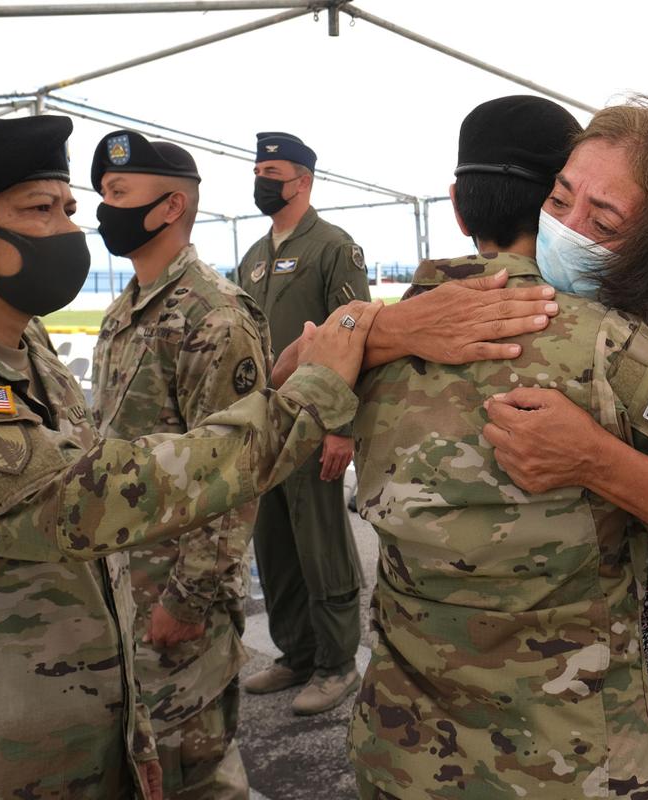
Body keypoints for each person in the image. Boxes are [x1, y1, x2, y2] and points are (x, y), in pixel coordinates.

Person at [0, 115, 376, 800]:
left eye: (68, 208)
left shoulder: (29, 353)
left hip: (80, 740)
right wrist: (302, 401)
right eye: (39, 209)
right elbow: (79, 501)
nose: (70, 227)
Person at [350, 95, 648, 799]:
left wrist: (601, 463)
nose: (564, 230)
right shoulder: (498, 302)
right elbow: (294, 374)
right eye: (559, 199)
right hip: (552, 752)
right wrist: (387, 330)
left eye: (602, 222)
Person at [90, 131, 266, 798]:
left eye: (118, 193)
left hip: (174, 596)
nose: (102, 209)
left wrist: (188, 598)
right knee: (146, 766)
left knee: (194, 772)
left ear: (170, 208)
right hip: (125, 584)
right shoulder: (125, 312)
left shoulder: (213, 317)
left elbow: (236, 471)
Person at [235, 131, 371, 715]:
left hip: (316, 423)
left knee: (321, 545)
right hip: (268, 425)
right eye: (258, 172)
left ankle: (337, 664)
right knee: (274, 545)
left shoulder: (333, 247)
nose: (262, 182)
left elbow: (358, 332)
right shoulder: (252, 256)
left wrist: (343, 428)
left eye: (273, 173)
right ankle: (296, 652)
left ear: (304, 181)